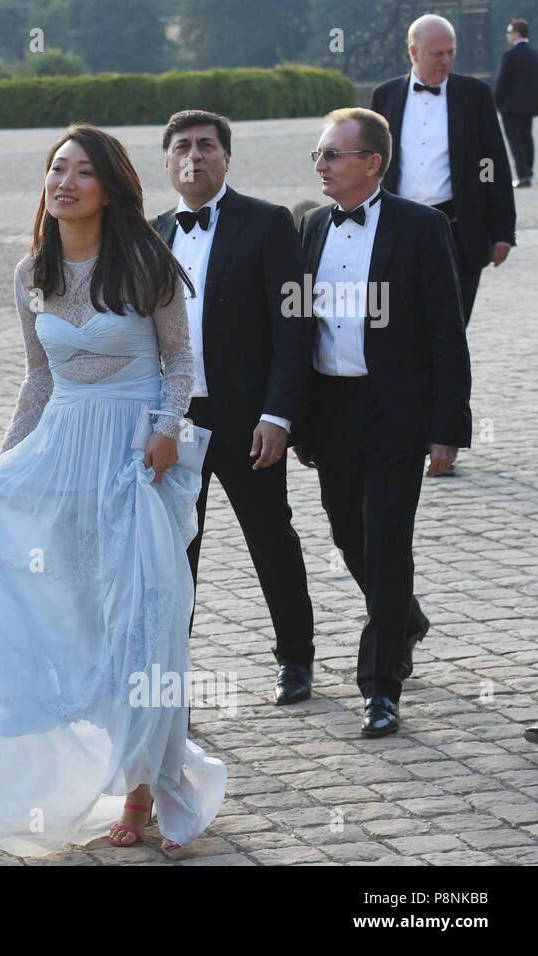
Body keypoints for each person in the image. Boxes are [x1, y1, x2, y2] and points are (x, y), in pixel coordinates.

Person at [0, 123, 226, 856]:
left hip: (137, 462)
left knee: (144, 627)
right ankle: (99, 775)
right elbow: (40, 378)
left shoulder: (146, 263)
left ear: (110, 185)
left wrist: (167, 429)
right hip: (61, 460)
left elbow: (180, 359)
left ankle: (151, 793)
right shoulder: (29, 275)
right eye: (55, 169)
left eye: (81, 171)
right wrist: (2, 462)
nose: (65, 181)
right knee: (79, 629)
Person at [295, 108, 471, 738]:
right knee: (349, 535)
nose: (321, 163)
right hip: (332, 411)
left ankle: (380, 684)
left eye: (333, 154)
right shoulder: (310, 224)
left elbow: (447, 330)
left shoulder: (422, 226)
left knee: (388, 539)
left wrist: (448, 424)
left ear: (371, 162)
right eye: (318, 153)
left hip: (395, 410)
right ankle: (406, 619)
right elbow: (296, 327)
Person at [150, 111, 315, 707]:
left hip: (247, 418)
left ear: (226, 158)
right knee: (173, 553)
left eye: (207, 146)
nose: (194, 156)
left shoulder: (267, 223)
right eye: (182, 147)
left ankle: (296, 657)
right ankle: (172, 677)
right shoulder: (154, 232)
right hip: (175, 421)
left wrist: (278, 415)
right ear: (166, 161)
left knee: (270, 537)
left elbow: (294, 328)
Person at [371, 13, 516, 329]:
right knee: (404, 327)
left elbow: (493, 164)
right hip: (400, 228)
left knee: (452, 328)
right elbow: (371, 165)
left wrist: (503, 230)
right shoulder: (385, 96)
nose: (446, 60)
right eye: (437, 53)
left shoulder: (475, 95)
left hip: (457, 229)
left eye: (451, 52)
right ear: (413, 52)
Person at [496, 18, 538, 188]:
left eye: (509, 32)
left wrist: (496, 102)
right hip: (529, 104)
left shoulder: (510, 55)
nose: (508, 35)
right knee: (527, 137)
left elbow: (502, 82)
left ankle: (523, 175)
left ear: (517, 33)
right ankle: (528, 170)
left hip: (510, 106)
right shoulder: (535, 55)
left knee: (514, 140)